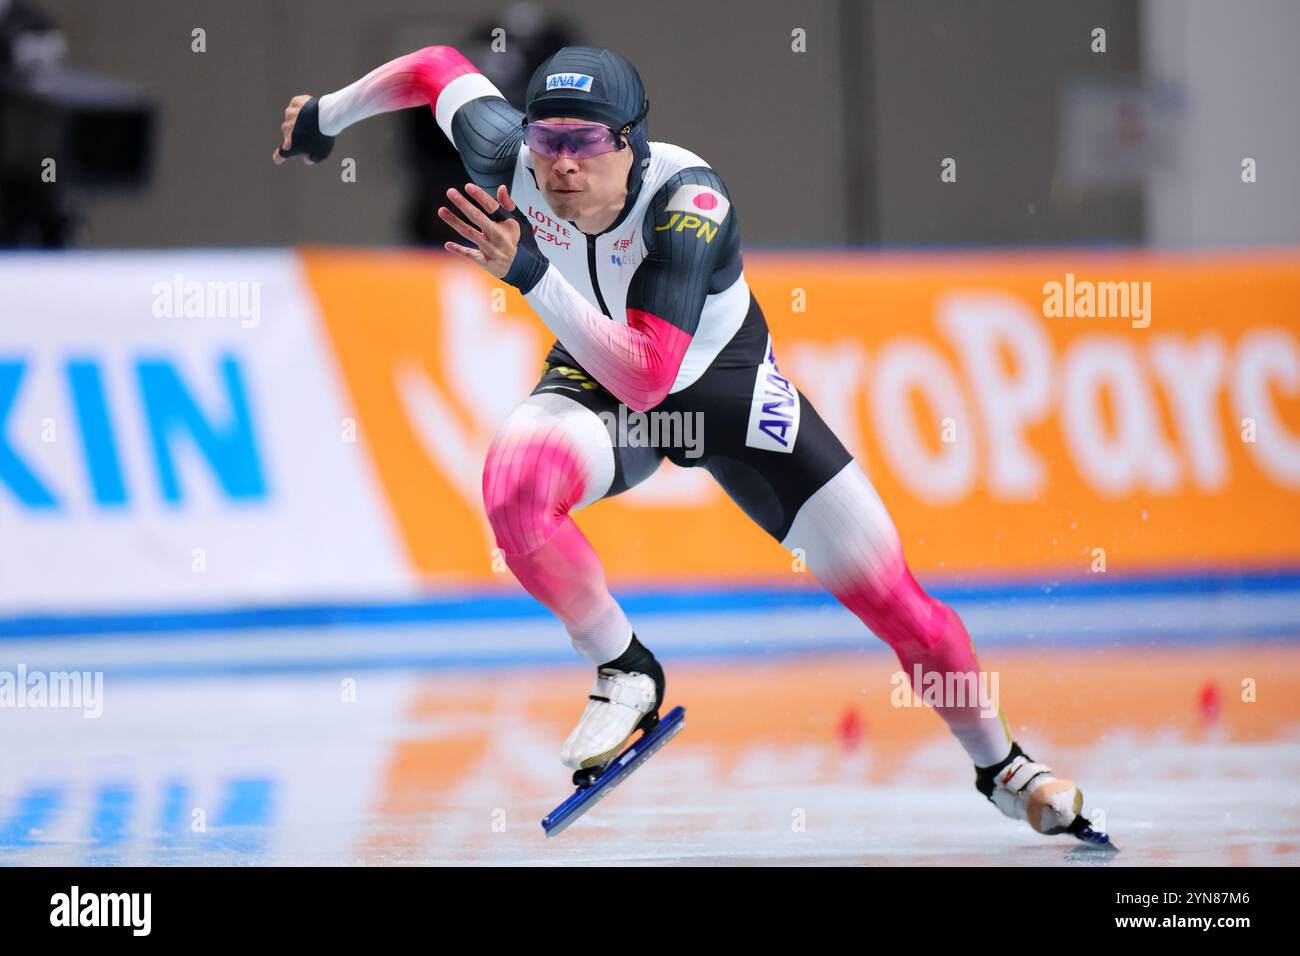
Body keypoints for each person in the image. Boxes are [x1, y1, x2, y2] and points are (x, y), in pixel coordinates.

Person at [273, 44, 1104, 841]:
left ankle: (1003, 768)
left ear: (628, 142)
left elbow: (651, 376)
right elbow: (431, 70)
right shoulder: (508, 154)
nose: (560, 164)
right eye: (546, 140)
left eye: (585, 144)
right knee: (513, 487)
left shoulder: (689, 201)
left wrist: (529, 272)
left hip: (724, 395)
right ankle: (624, 667)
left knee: (903, 611)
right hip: (602, 380)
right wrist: (327, 120)